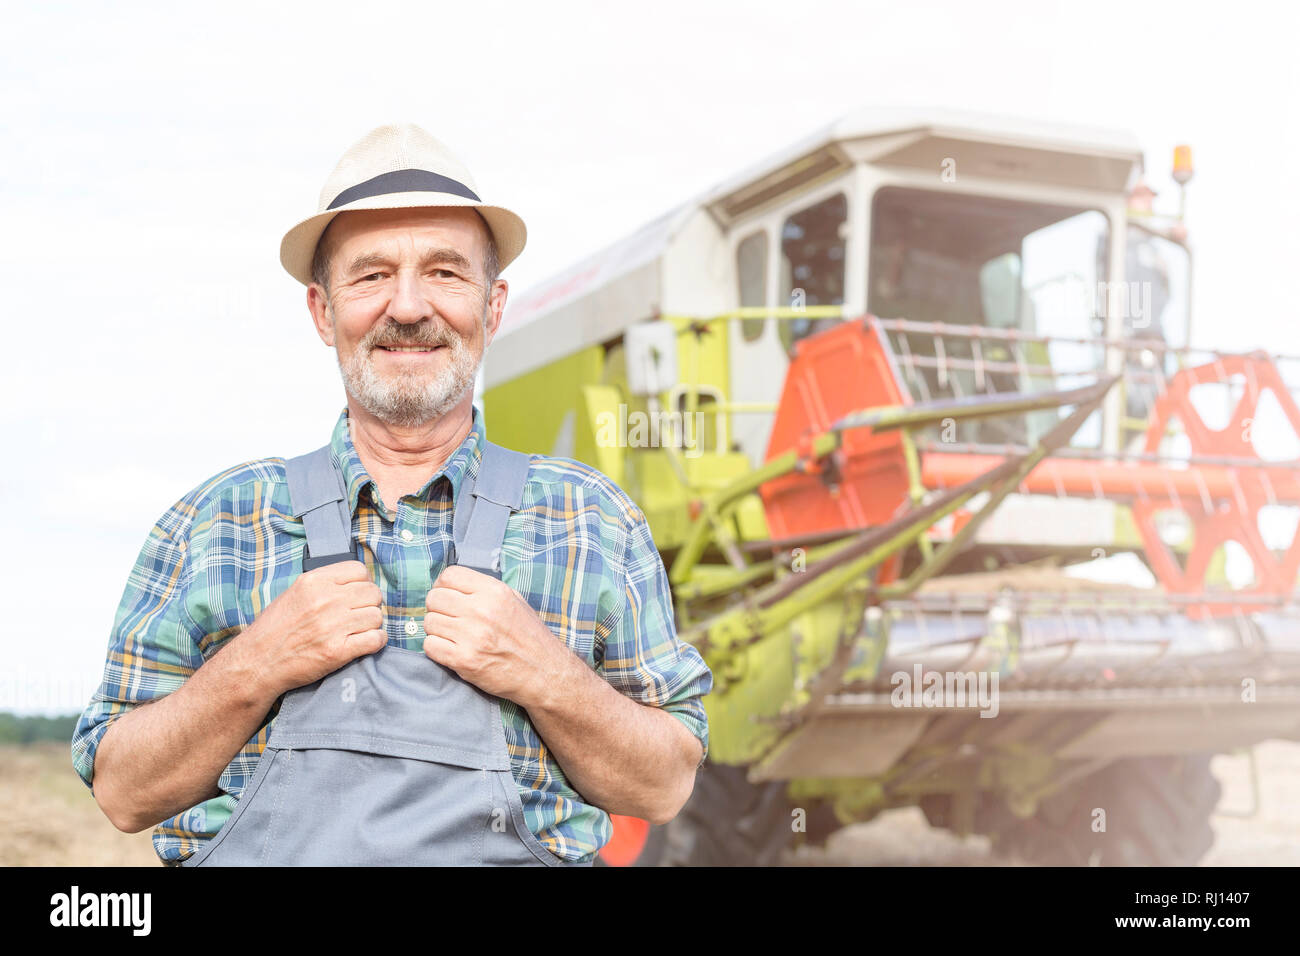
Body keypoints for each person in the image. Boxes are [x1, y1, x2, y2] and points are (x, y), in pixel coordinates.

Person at [71, 123, 713, 866]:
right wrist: (257, 664)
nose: (407, 308)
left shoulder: (593, 521)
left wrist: (545, 672)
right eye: (371, 276)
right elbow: (122, 792)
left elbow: (664, 787)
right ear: (321, 311)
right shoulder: (213, 523)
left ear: (493, 307)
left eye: (444, 272)